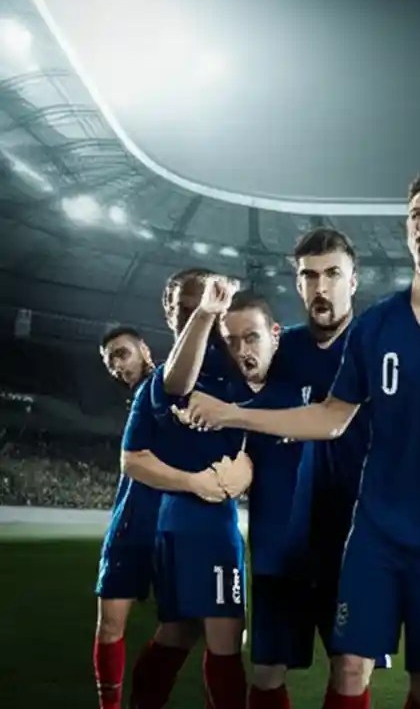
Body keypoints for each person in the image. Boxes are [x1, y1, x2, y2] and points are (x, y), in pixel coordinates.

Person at [183, 176, 420, 709]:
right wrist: (233, 412)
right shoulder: (377, 327)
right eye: (414, 213)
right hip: (375, 533)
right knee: (348, 666)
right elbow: (330, 417)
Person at [121, 268, 253, 709]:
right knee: (226, 633)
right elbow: (133, 457)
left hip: (202, 522)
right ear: (170, 313)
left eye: (207, 304)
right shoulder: (166, 380)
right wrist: (205, 314)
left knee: (180, 630)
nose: (199, 312)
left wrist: (246, 467)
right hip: (198, 522)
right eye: (186, 306)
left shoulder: (234, 370)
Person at [267, 227, 390, 699]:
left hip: (360, 539)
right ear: (297, 284)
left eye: (333, 274)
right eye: (309, 275)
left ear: (353, 281)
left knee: (351, 670)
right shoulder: (281, 351)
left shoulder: (382, 347)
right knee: (265, 670)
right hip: (288, 538)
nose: (321, 287)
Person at [93, 326, 200, 709]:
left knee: (188, 626)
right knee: (109, 626)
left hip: (176, 523)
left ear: (143, 348)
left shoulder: (170, 379)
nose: (117, 366)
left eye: (122, 354)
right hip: (132, 521)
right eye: (110, 362)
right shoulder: (142, 395)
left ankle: (146, 698)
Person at [217, 291, 312, 709]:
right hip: (273, 558)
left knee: (351, 667)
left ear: (275, 334)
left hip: (336, 551)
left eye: (252, 337)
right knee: (266, 674)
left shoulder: (311, 379)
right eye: (232, 341)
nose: (243, 350)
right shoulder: (228, 403)